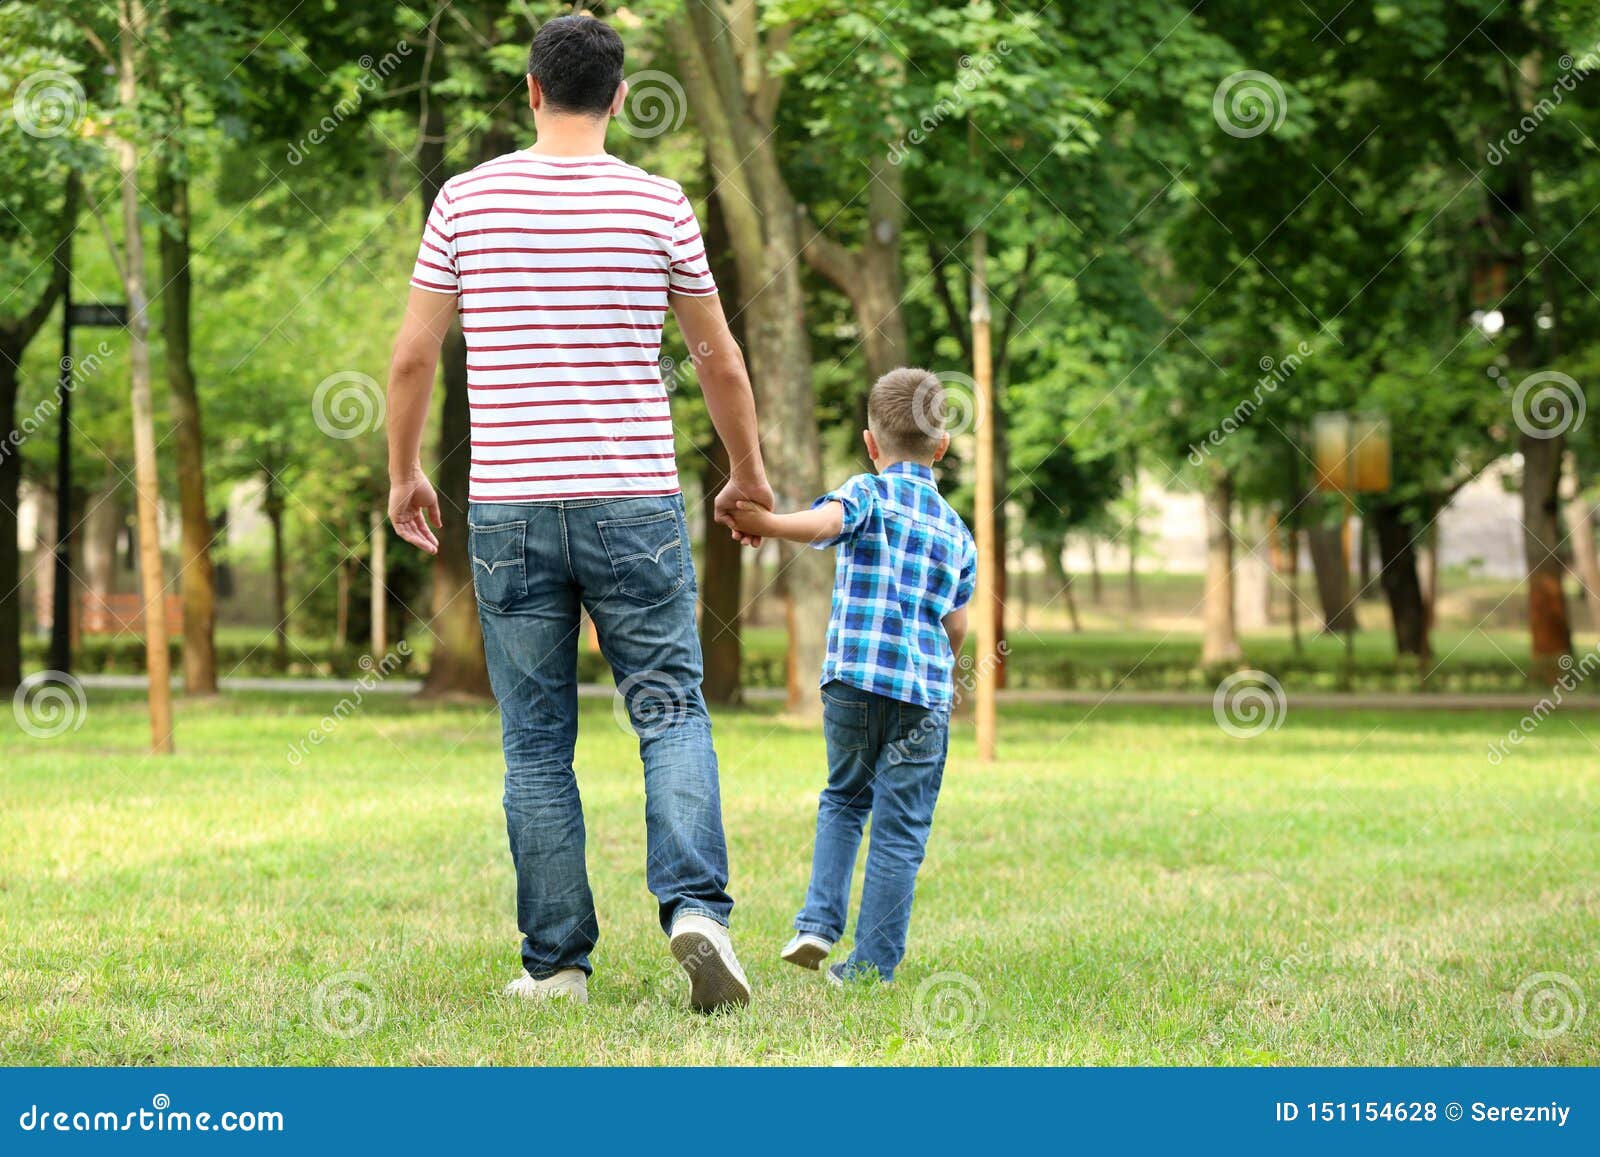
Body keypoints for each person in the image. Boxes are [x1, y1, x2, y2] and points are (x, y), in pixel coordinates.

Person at [384, 13, 772, 1013]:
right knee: (669, 708)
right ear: (619, 95)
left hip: (510, 508)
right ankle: (697, 910)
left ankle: (556, 965)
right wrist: (746, 472)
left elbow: (414, 355)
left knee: (534, 741)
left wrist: (404, 471)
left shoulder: (465, 200)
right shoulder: (658, 205)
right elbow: (719, 358)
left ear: (531, 90)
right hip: (631, 500)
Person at [727, 368, 976, 984]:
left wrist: (769, 525)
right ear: (941, 447)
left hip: (854, 684)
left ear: (870, 443)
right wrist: (934, 661)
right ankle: (869, 969)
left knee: (844, 798)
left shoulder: (868, 493)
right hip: (923, 697)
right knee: (901, 831)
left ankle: (817, 923)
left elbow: (829, 523)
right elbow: (958, 626)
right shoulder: (957, 530)